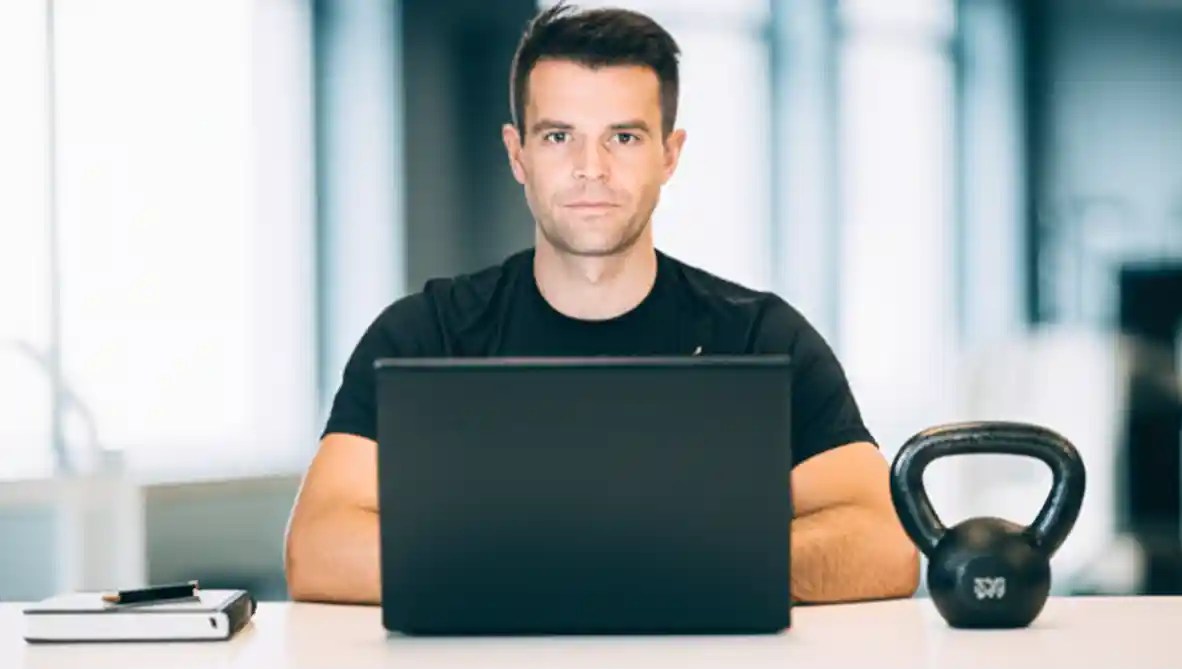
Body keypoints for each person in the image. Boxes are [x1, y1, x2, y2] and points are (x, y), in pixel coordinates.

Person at [285, 3, 919, 606]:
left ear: (669, 154)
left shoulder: (760, 337)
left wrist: (618, 571)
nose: (591, 168)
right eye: (560, 136)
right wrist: (627, 567)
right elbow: (318, 548)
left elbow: (885, 544)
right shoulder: (425, 336)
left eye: (624, 136)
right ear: (518, 155)